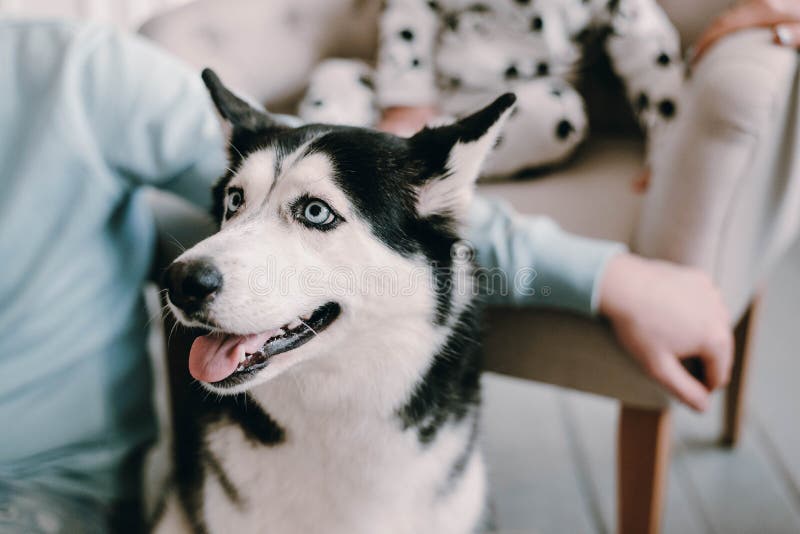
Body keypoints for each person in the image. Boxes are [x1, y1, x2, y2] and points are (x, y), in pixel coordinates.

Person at [0, 14, 743, 532]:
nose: (201, 266)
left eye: (313, 213)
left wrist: (614, 279)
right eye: (235, 202)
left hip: (42, 490)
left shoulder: (74, 74)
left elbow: (416, 206)